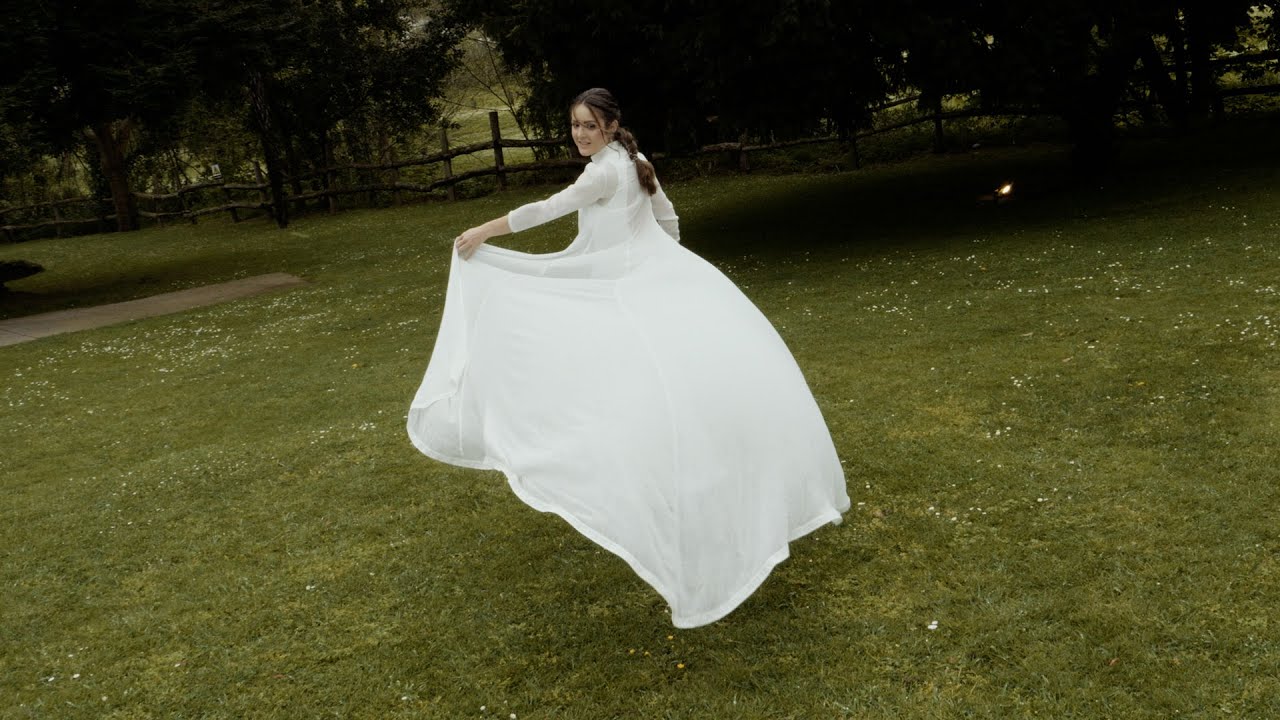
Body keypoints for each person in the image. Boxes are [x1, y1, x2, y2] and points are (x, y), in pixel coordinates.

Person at [407, 88, 849, 628]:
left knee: (642, 384)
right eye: (574, 125)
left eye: (590, 125)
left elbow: (550, 209)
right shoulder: (634, 162)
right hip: (642, 285)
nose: (580, 135)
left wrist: (484, 230)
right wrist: (676, 272)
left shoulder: (606, 172)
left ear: (613, 126)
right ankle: (685, 467)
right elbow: (667, 220)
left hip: (631, 291)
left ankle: (645, 469)